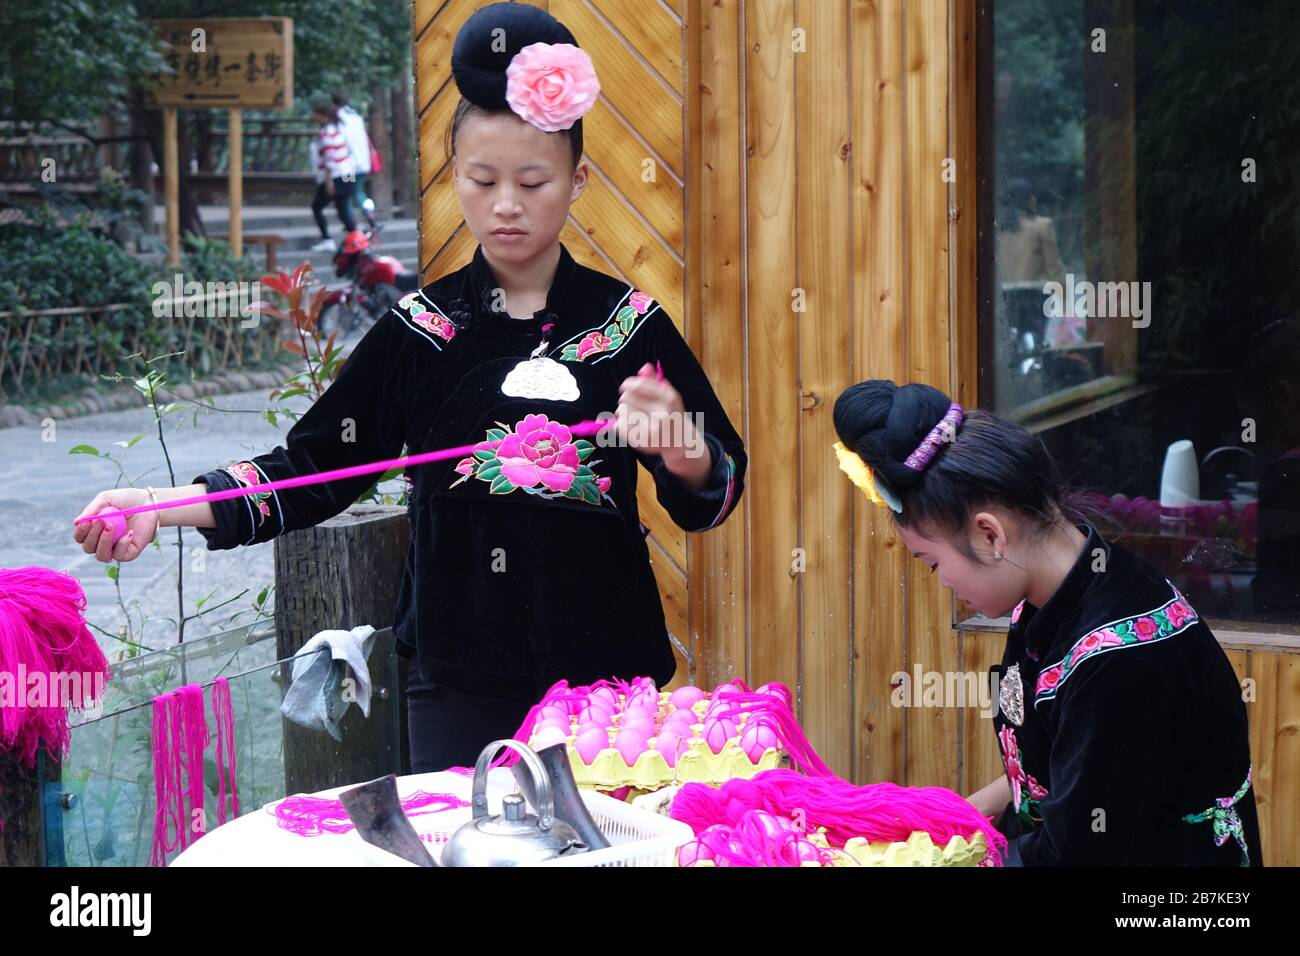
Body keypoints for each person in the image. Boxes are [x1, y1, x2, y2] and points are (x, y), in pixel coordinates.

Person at [73, 2, 746, 774]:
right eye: (482, 178)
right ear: (451, 175)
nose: (505, 204)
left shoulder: (630, 325)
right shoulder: (419, 331)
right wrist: (160, 507)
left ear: (578, 179)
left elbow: (716, 489)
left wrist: (686, 452)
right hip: (455, 680)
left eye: (533, 180)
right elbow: (311, 471)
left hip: (609, 687)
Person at [831, 379, 1261, 866]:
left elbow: (1075, 854)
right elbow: (1061, 773)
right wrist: (952, 819)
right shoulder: (1044, 597)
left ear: (990, 533)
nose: (943, 582)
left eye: (932, 563)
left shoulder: (1120, 658)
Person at [309, 101, 357, 251]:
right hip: (348, 173)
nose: (313, 116)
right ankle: (356, 240)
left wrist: (328, 181)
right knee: (343, 208)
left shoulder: (326, 133)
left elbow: (330, 158)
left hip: (336, 176)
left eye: (315, 113)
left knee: (317, 206)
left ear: (322, 116)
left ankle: (327, 239)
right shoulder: (337, 130)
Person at [332, 92, 379, 232]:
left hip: (347, 162)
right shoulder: (356, 116)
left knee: (348, 195)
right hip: (363, 160)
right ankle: (370, 218)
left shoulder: (338, 118)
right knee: (359, 192)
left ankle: (350, 223)